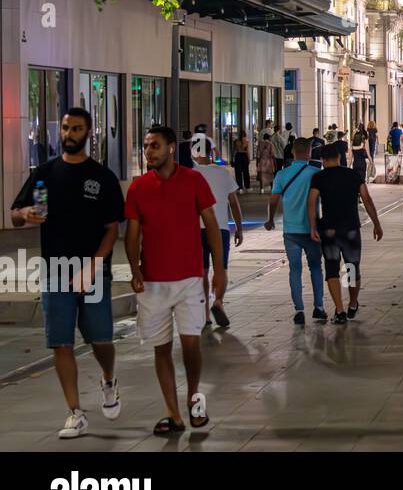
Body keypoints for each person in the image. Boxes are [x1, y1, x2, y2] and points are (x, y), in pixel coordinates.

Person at [9, 108, 125, 439]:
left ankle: (108, 379)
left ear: (88, 133)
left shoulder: (102, 177)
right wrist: (25, 213)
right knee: (61, 342)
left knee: (100, 337)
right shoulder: (44, 174)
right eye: (64, 128)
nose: (68, 133)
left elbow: (111, 230)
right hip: (55, 270)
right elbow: (16, 214)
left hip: (93, 271)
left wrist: (92, 266)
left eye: (76, 128)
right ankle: (75, 412)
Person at [124, 125, 224, 436]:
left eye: (154, 145)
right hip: (153, 281)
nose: (148, 151)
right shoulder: (138, 188)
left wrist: (219, 269)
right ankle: (173, 413)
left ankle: (194, 397)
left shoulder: (194, 180)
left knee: (191, 343)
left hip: (190, 278)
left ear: (169, 148)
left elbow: (211, 224)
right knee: (160, 347)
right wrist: (135, 269)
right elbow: (132, 233)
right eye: (146, 146)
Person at [309, 142, 383, 323]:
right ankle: (352, 303)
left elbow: (311, 202)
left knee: (332, 269)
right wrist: (376, 224)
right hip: (350, 229)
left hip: (329, 231)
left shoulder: (319, 177)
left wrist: (312, 226)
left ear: (323, 160)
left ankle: (340, 310)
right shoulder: (352, 175)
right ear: (339, 157)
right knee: (351, 268)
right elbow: (366, 198)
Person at [266, 137, 326, 325]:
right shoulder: (316, 174)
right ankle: (319, 307)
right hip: (312, 230)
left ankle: (299, 310)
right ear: (309, 152)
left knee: (295, 269)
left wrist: (269, 219)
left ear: (292, 152)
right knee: (316, 267)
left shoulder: (282, 175)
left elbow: (274, 200)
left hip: (290, 230)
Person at [190, 136, 244, 328]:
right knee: (221, 269)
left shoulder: (189, 175)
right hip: (220, 228)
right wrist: (238, 227)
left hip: (196, 229)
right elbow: (234, 203)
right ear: (211, 152)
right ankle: (218, 301)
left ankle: (205, 316)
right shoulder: (223, 173)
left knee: (202, 272)